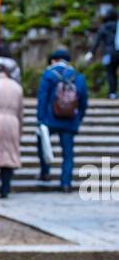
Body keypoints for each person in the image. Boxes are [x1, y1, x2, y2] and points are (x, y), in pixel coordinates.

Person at [36, 48, 89, 192]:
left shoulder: (48, 75)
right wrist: (78, 119)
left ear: (53, 61)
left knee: (42, 143)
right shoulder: (78, 77)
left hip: (50, 119)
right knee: (68, 154)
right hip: (69, 121)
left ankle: (45, 171)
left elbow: (42, 98)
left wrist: (40, 119)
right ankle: (66, 183)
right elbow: (83, 101)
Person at [0, 62, 23, 198]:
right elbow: (20, 110)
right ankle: (5, 188)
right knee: (9, 156)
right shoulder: (17, 87)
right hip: (12, 121)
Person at [88, 6, 118, 99]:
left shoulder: (103, 27)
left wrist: (91, 53)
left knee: (110, 73)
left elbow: (97, 41)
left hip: (108, 53)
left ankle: (112, 93)